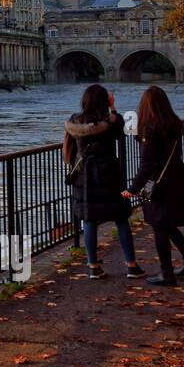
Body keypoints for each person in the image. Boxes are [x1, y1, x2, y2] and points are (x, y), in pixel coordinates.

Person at [122, 85, 184, 286]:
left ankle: (167, 273)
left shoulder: (150, 129)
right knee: (168, 225)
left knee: (159, 226)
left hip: (161, 184)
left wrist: (132, 189)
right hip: (178, 177)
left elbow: (146, 165)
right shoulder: (174, 123)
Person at [64, 83, 143, 279]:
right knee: (121, 218)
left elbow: (69, 151)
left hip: (85, 175)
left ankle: (92, 266)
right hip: (109, 174)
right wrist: (113, 107)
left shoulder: (74, 122)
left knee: (89, 220)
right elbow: (121, 129)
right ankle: (131, 265)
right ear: (103, 102)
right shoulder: (110, 121)